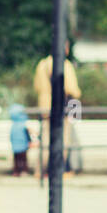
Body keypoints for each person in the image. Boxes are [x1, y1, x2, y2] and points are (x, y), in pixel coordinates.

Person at [33, 41, 81, 176]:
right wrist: (76, 96)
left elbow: (37, 86)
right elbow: (71, 88)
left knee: (46, 140)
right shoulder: (64, 64)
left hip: (45, 106)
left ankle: (41, 171)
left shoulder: (42, 64)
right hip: (60, 107)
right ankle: (58, 170)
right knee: (63, 140)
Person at [9, 103, 32, 176]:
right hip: (23, 146)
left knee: (17, 159)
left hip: (16, 146)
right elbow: (27, 134)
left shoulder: (13, 126)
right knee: (23, 159)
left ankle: (17, 171)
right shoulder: (23, 125)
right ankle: (23, 170)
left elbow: (11, 136)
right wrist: (29, 141)